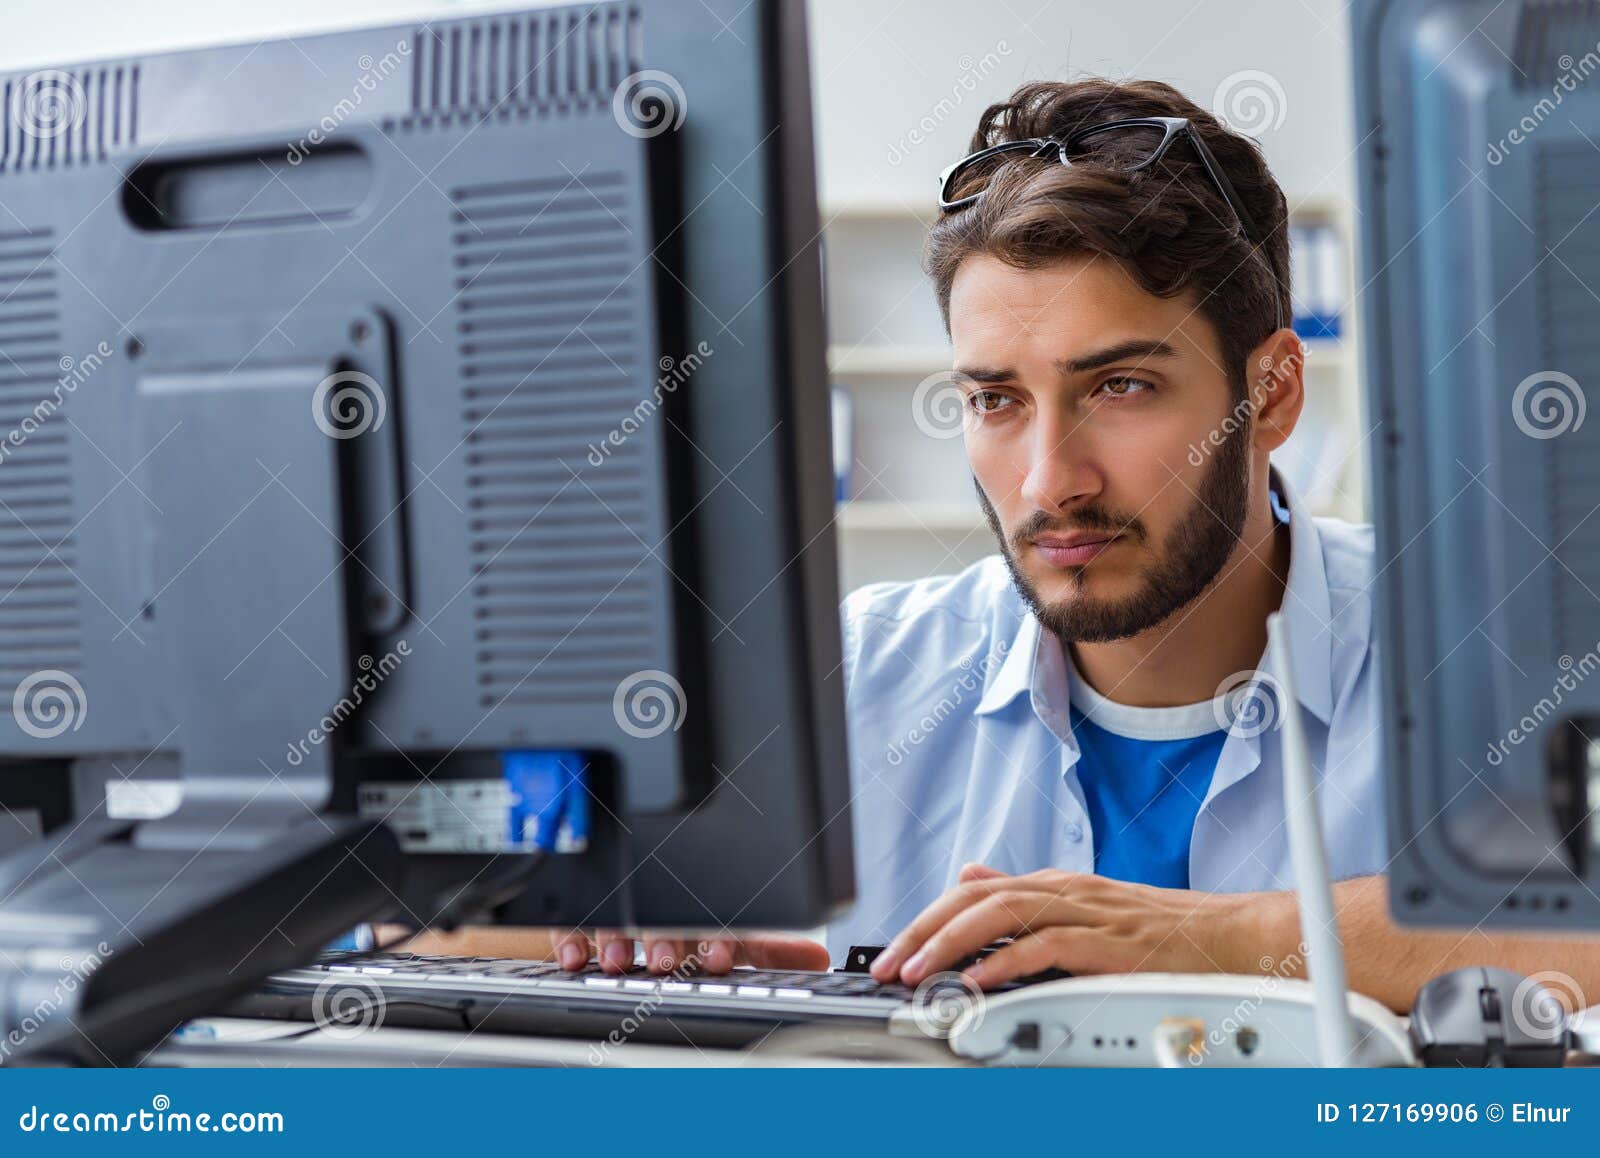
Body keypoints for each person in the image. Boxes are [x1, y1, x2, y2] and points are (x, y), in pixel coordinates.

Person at [422, 78, 1600, 1013]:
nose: (1049, 480)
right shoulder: (851, 682)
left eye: (1122, 386)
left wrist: (1214, 940)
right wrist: (636, 931)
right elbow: (435, 919)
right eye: (993, 400)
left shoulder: (1491, 652)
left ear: (1273, 393)